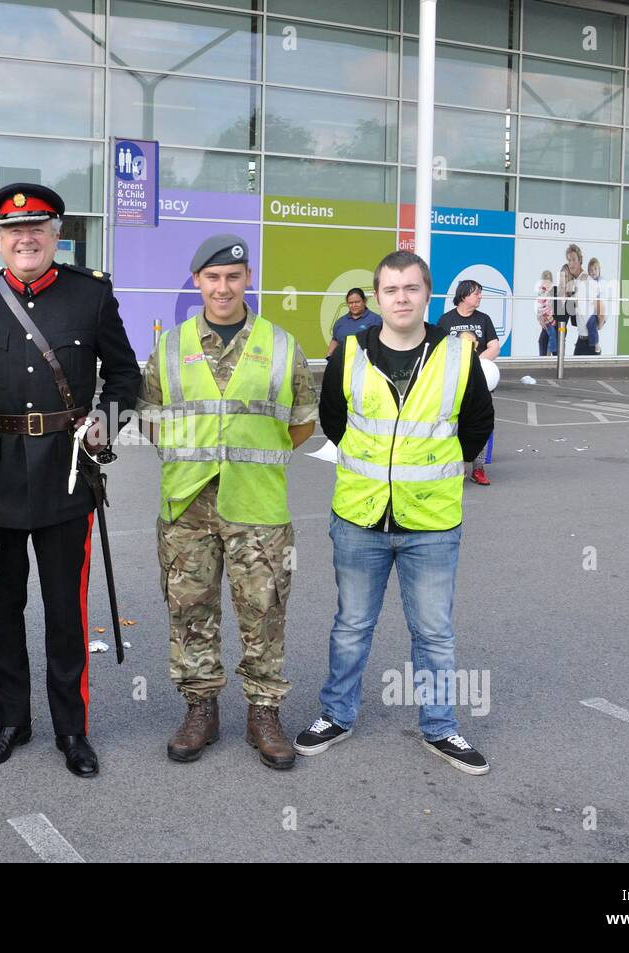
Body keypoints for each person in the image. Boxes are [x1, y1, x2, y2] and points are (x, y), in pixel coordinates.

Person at [0, 182, 140, 778]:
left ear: (57, 235)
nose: (24, 238)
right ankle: (10, 720)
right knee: (1, 606)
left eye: (36, 229)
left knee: (66, 608)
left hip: (65, 475)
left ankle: (72, 729)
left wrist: (104, 425)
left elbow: (126, 377)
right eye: (12, 230)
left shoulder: (90, 295)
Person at [294, 250, 494, 775]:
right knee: (351, 625)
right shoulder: (350, 353)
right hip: (359, 517)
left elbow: (476, 426)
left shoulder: (458, 354)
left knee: (433, 632)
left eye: (410, 288)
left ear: (426, 295)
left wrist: (427, 471)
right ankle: (335, 716)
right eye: (391, 289)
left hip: (430, 522)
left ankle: (441, 726)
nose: (400, 297)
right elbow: (335, 423)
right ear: (377, 297)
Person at [138, 234, 317, 770]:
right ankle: (201, 709)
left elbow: (302, 422)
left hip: (257, 503)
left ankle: (264, 712)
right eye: (212, 278)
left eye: (233, 277)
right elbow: (150, 417)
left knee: (263, 611)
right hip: (186, 502)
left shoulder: (282, 345)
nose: (223, 287)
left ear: (247, 280)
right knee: (190, 610)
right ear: (197, 282)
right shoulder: (169, 347)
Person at [437, 279, 499, 485]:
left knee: (480, 424)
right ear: (464, 296)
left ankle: (478, 469)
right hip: (453, 382)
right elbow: (440, 350)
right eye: (476, 293)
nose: (480, 296)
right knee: (454, 424)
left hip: (479, 381)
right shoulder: (446, 320)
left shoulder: (484, 319)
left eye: (480, 293)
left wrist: (475, 365)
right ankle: (457, 467)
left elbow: (494, 346)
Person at [327, 287, 380, 357]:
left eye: (357, 302)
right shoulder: (340, 322)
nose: (354, 305)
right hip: (343, 365)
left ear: (364, 301)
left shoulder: (376, 320)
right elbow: (335, 340)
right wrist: (329, 355)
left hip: (366, 365)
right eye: (350, 303)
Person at [576, 257, 606, 355]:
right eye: (591, 270)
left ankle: (596, 344)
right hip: (581, 339)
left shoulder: (600, 282)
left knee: (591, 324)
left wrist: (601, 323)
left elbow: (601, 309)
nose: (593, 272)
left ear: (599, 270)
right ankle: (595, 343)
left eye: (595, 269)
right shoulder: (589, 282)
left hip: (595, 313)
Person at [535, 269, 555, 356]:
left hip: (550, 317)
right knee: (550, 334)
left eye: (549, 281)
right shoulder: (542, 292)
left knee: (551, 334)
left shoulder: (552, 293)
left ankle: (550, 351)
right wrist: (540, 318)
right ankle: (548, 352)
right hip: (546, 317)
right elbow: (540, 307)